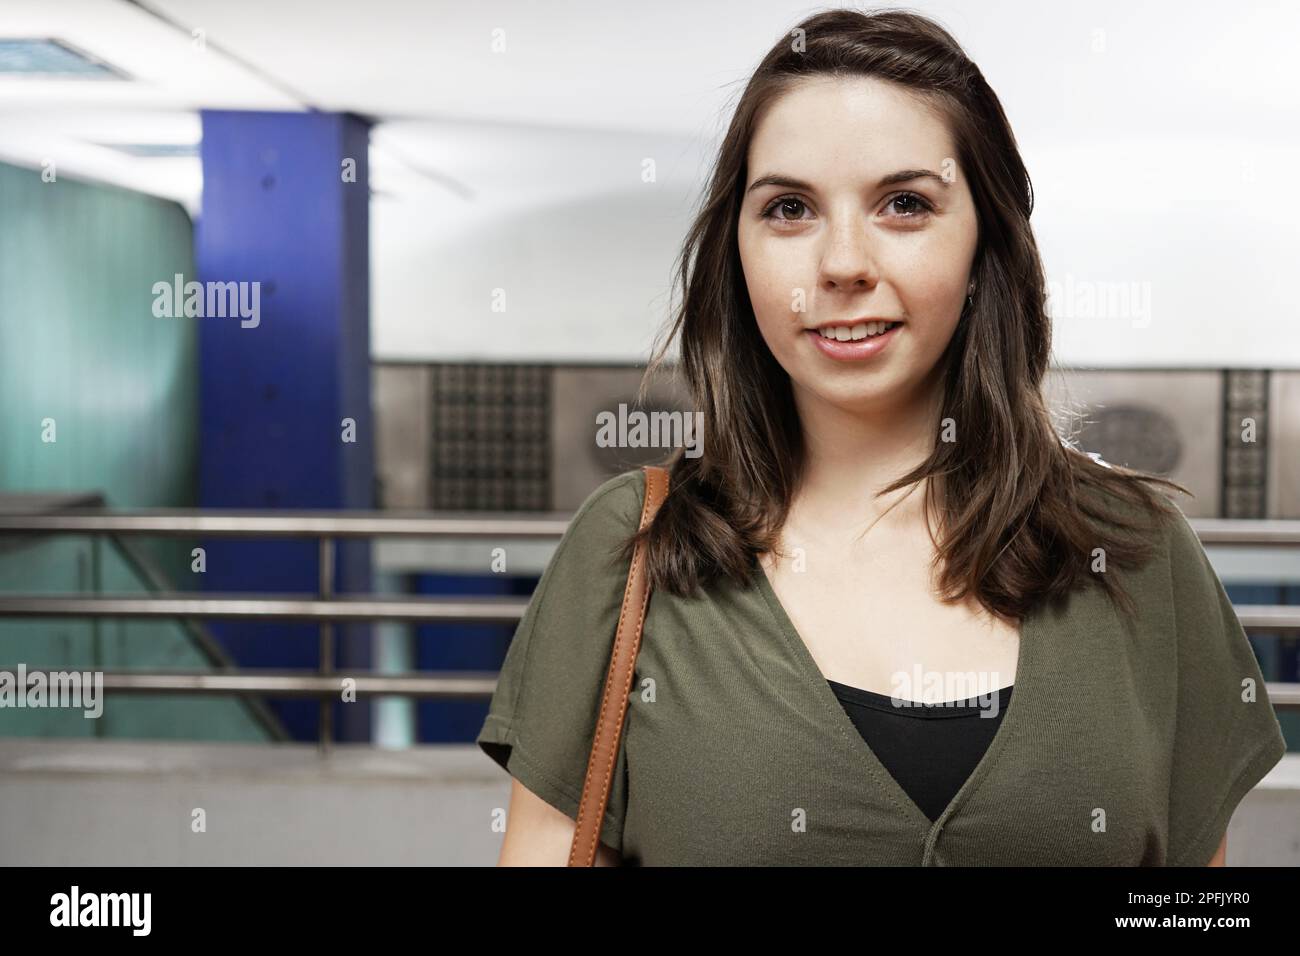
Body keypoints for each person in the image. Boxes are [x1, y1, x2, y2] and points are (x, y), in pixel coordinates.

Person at [476, 7, 1287, 866]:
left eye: (905, 204)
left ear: (985, 245)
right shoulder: (634, 547)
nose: (843, 263)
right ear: (737, 251)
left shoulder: (1135, 552)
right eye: (789, 208)